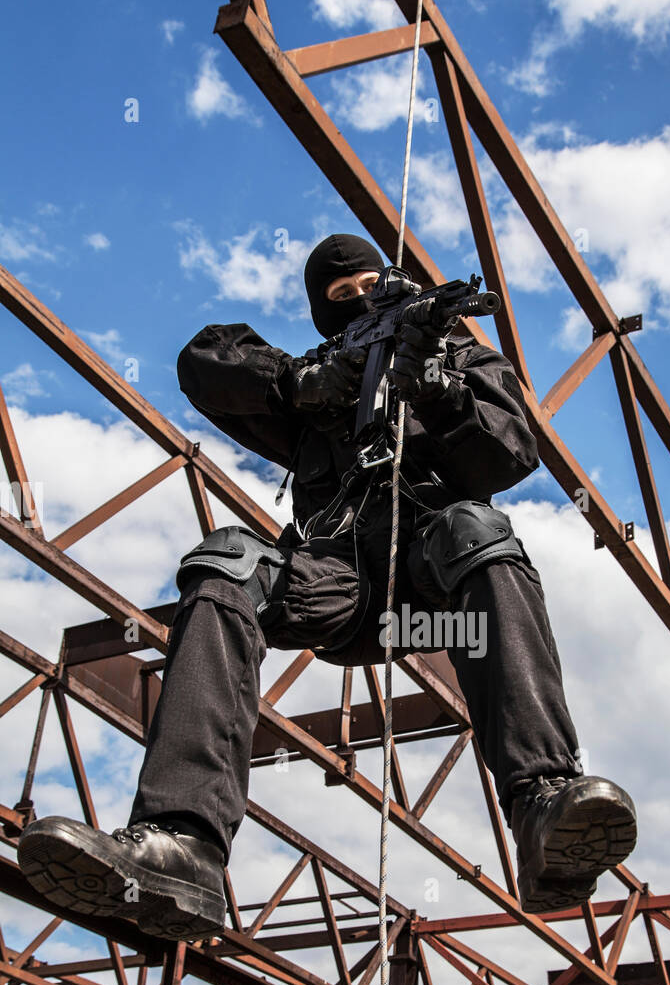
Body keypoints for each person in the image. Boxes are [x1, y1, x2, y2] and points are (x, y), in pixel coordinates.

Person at [17, 233, 637, 941]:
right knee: (227, 562)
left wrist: (433, 386)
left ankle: (541, 806)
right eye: (341, 299)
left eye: (371, 288)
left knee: (477, 530)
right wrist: (304, 383)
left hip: (437, 587)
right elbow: (202, 361)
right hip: (342, 589)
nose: (360, 301)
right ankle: (183, 844)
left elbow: (509, 453)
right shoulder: (316, 380)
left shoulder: (459, 356)